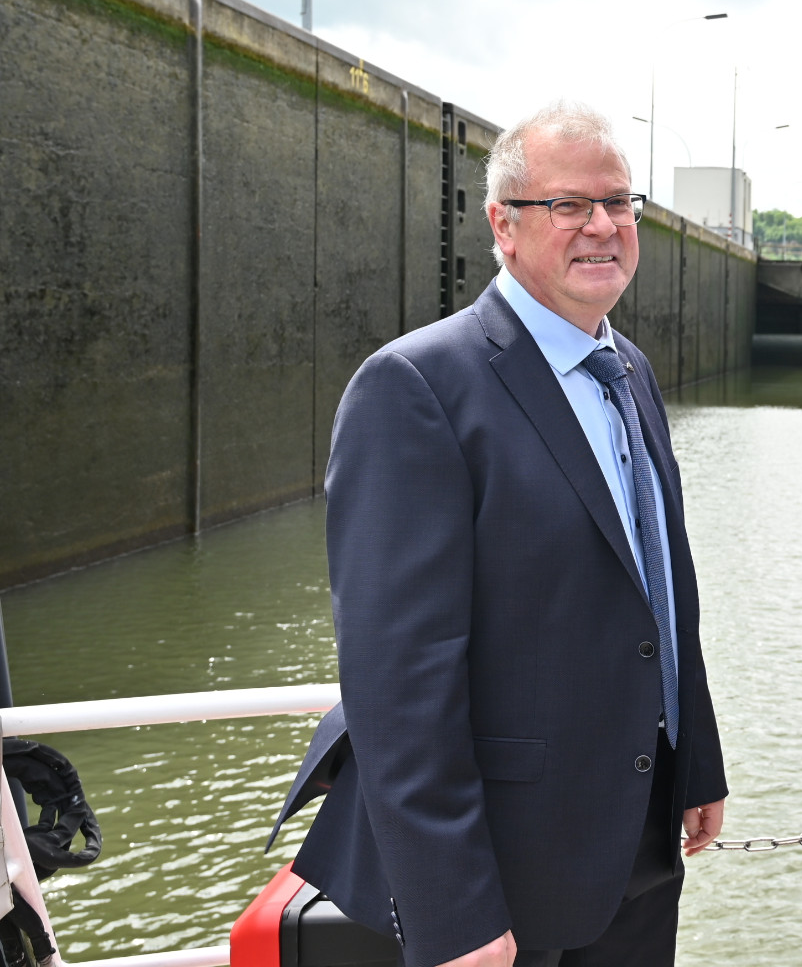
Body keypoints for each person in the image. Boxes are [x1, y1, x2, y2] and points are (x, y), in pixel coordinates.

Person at [272, 100, 728, 967]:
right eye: (569, 205)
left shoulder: (627, 370)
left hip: (634, 837)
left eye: (620, 203)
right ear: (503, 226)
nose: (602, 226)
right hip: (503, 876)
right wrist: (454, 911)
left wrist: (694, 760)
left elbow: (660, 584)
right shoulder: (416, 387)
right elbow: (398, 679)